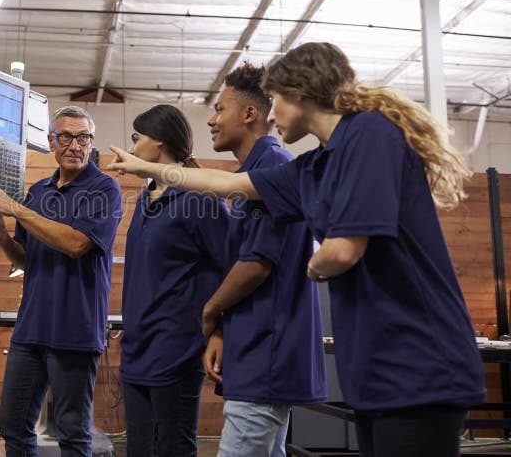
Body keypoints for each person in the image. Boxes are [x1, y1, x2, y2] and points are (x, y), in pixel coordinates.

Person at [108, 42, 485, 457]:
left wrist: (313, 265)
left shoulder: (369, 132)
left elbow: (342, 251)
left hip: (419, 360)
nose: (271, 115)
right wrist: (148, 168)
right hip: (374, 365)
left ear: (301, 93)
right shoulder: (312, 166)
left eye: (278, 102)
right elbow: (227, 185)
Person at [0, 105, 123, 456]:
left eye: (83, 137)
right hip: (31, 329)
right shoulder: (38, 191)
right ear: (51, 142)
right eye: (66, 137)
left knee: (71, 431)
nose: (75, 145)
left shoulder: (105, 190)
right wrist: (1, 237)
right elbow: (26, 259)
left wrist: (16, 209)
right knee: (12, 423)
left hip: (75, 330)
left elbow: (76, 244)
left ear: (91, 142)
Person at [202, 63, 326, 457]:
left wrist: (211, 311)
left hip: (267, 352)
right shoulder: (252, 171)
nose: (211, 120)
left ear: (250, 114)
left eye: (220, 109)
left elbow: (257, 263)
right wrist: (222, 329)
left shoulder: (272, 166)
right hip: (252, 347)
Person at [118, 105, 230, 456]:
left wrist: (219, 331)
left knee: (173, 448)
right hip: (137, 348)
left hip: (177, 348)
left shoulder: (201, 199)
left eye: (137, 139)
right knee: (139, 448)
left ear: (161, 141)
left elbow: (232, 268)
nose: (133, 149)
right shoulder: (145, 200)